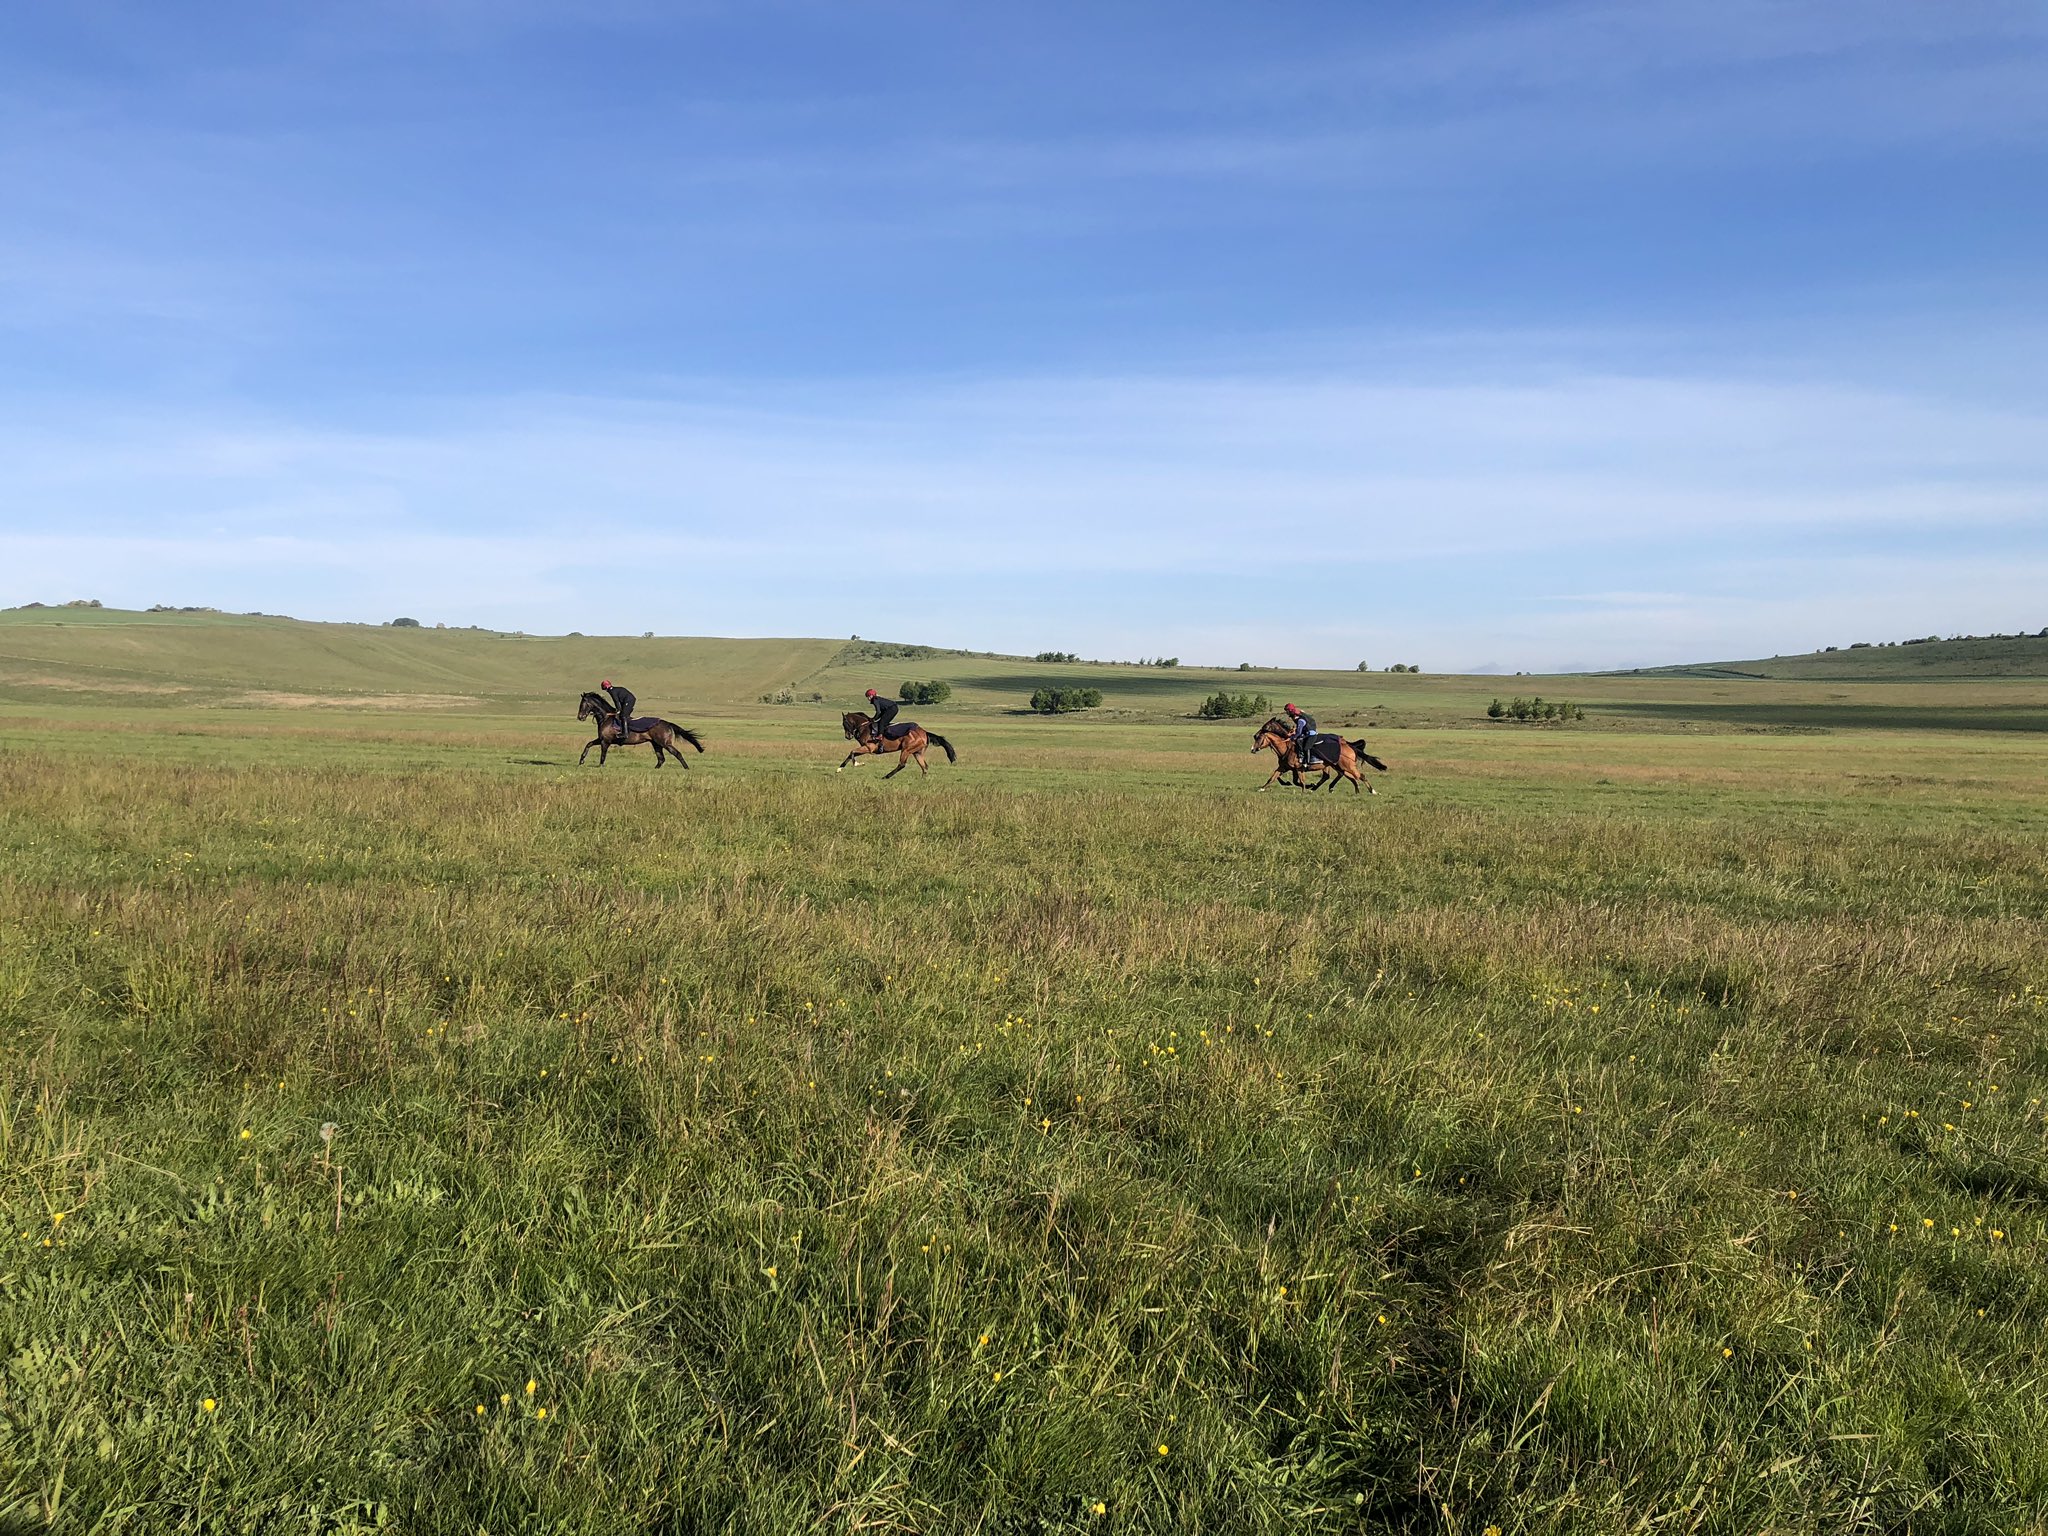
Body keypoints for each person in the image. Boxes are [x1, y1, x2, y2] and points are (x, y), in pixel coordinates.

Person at [1283, 702, 1322, 774]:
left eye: (1287, 711)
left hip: (1311, 735)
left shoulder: (1300, 720)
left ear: (1291, 711)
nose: (1287, 713)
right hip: (1306, 734)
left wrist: (1292, 737)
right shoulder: (1298, 718)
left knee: (1305, 747)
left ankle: (1306, 762)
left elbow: (1299, 733)